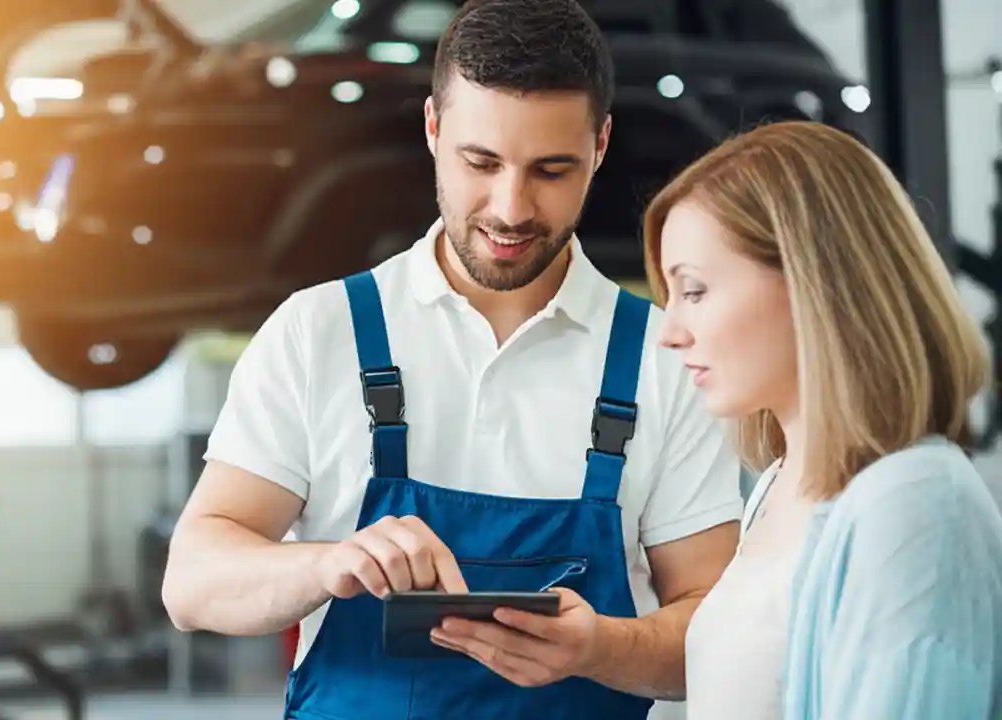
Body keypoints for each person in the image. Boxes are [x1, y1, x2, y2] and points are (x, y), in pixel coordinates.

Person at [162, 1, 744, 718]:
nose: (511, 207)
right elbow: (192, 584)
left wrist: (601, 648)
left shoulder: (664, 359)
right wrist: (328, 563)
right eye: (481, 163)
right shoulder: (318, 333)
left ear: (600, 145)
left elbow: (718, 633)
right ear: (433, 127)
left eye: (551, 170)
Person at [644, 119, 1002, 719]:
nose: (671, 332)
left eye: (695, 291)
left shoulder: (914, 504)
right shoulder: (777, 487)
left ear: (810, 280)